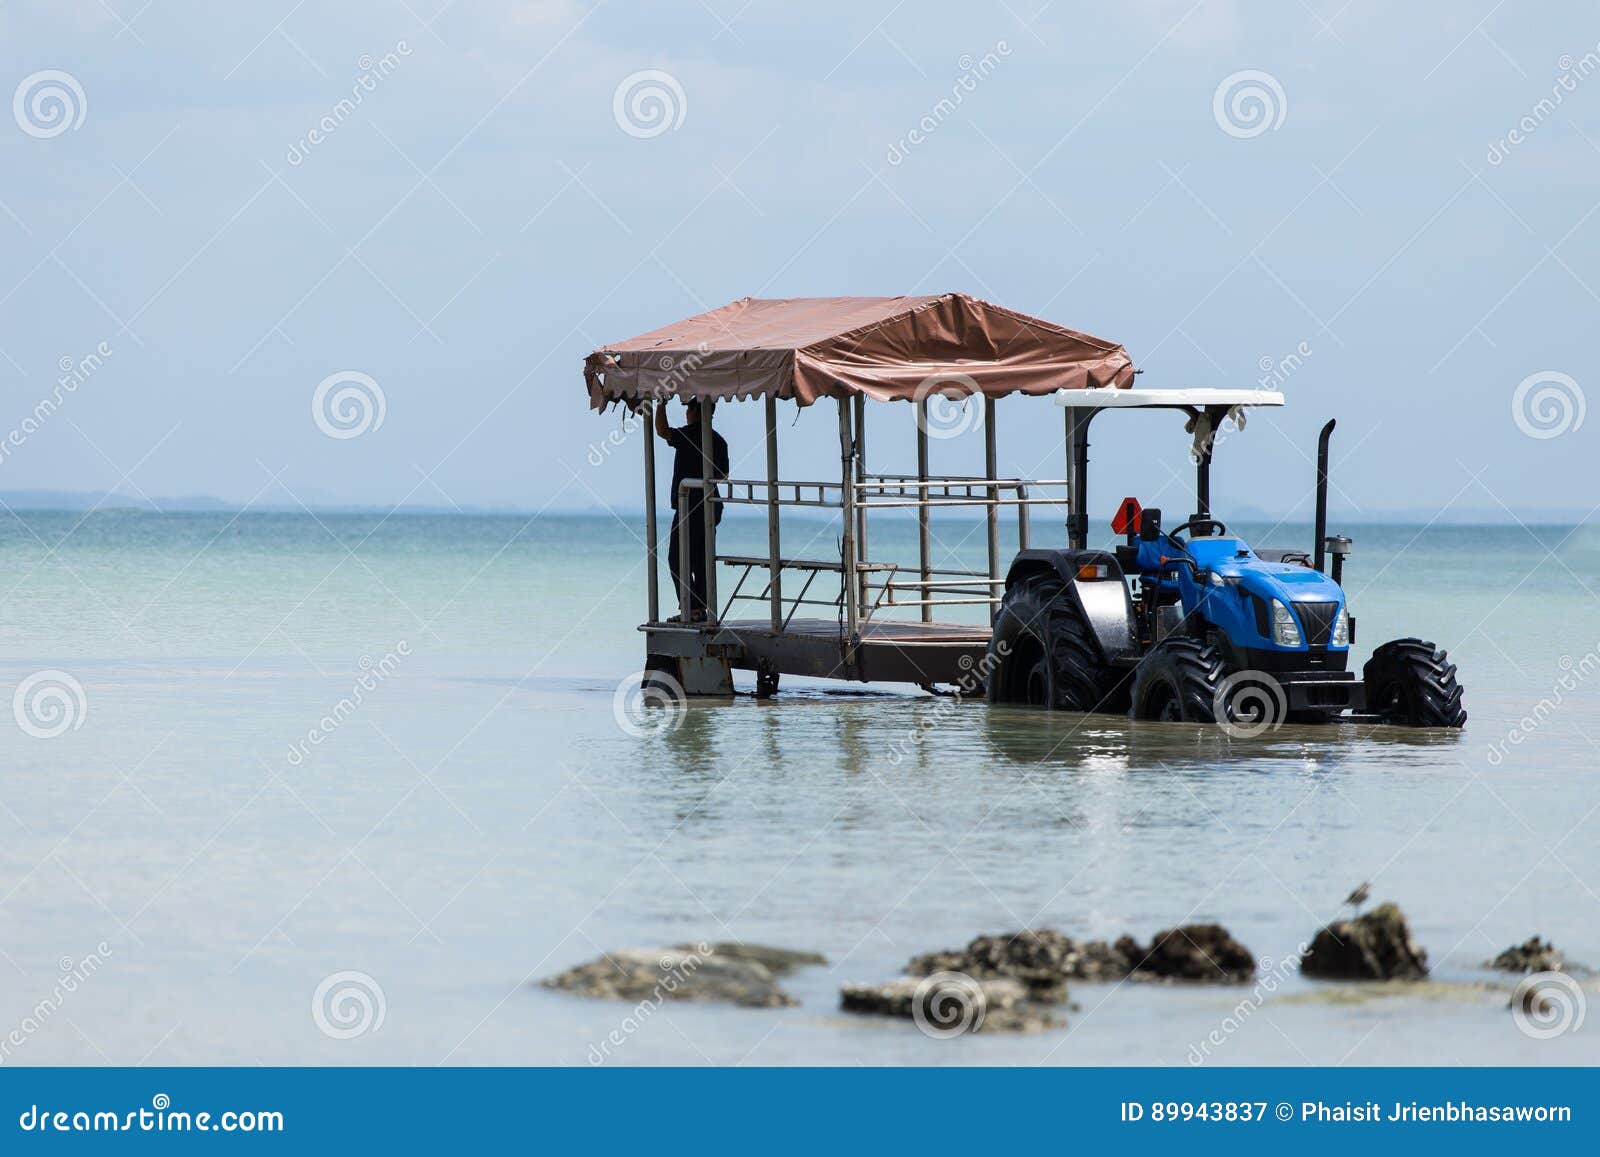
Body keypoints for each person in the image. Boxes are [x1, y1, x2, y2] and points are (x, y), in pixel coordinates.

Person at [655, 397, 729, 621]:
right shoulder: (718, 440)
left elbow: (662, 431)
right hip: (710, 505)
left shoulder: (689, 434)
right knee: (701, 558)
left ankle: (693, 608)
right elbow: (723, 474)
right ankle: (699, 608)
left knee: (677, 558)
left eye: (689, 409)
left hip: (690, 506)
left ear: (697, 412)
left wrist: (661, 404)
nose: (686, 413)